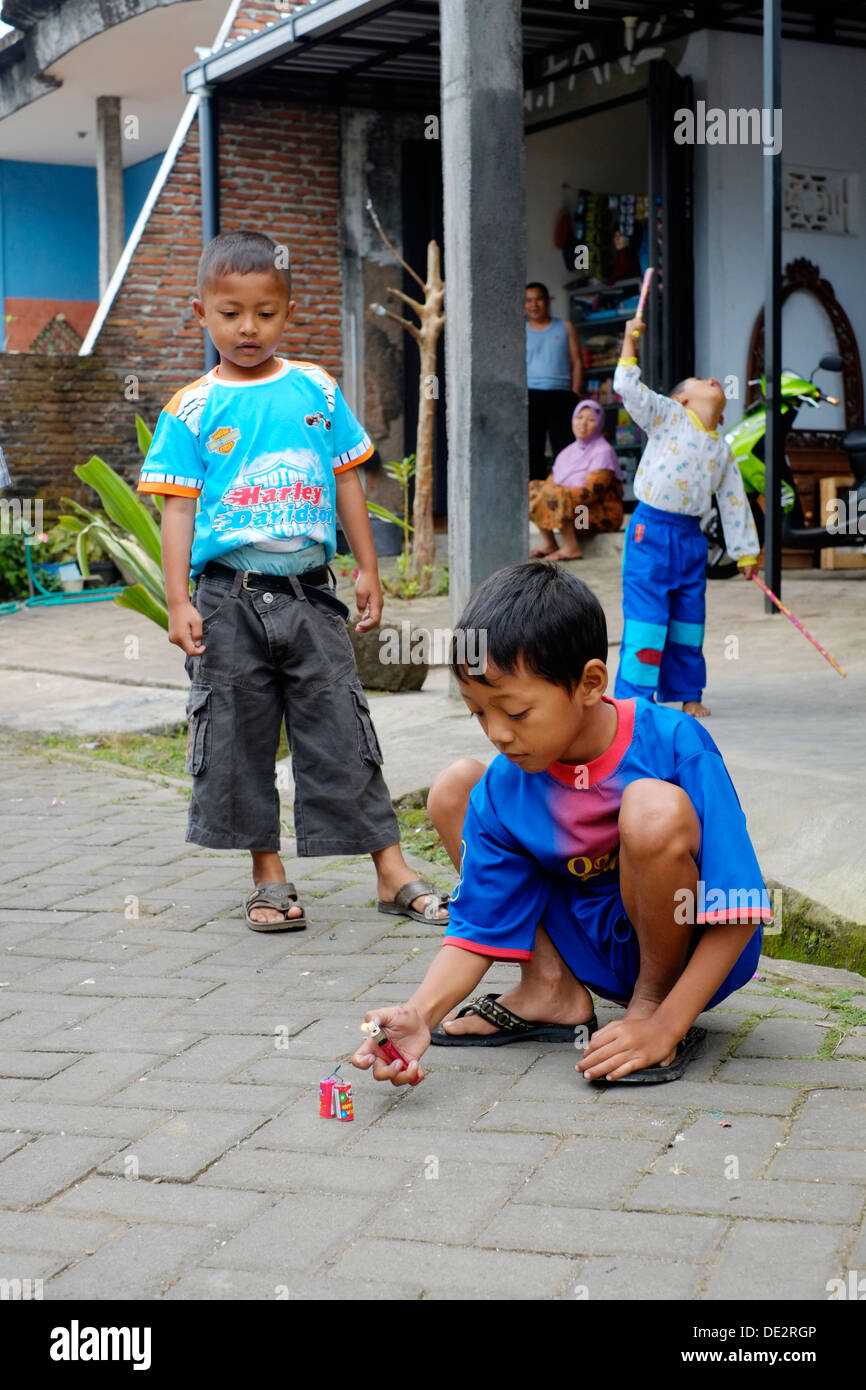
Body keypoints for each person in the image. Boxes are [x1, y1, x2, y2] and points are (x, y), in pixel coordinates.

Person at [352, 562, 770, 1088]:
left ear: (591, 683)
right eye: (479, 713)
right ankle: (551, 989)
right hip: (591, 944)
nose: (498, 734)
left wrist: (664, 1022)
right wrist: (420, 1013)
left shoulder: (673, 742)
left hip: (687, 954)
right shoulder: (510, 785)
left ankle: (650, 1006)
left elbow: (739, 908)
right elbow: (479, 926)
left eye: (516, 712)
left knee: (650, 808)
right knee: (459, 786)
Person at [138, 229, 448, 932]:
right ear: (202, 314)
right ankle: (267, 874)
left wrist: (368, 567)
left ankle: (390, 869)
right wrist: (180, 600)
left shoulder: (314, 387)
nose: (248, 327)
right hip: (227, 599)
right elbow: (178, 507)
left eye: (266, 312)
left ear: (288, 310)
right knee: (238, 736)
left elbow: (346, 481)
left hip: (312, 593)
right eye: (230, 312)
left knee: (342, 726)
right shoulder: (190, 407)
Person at [612, 318, 759, 718]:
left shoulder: (722, 450)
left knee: (688, 621)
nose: (711, 379)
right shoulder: (665, 417)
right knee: (648, 618)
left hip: (691, 540)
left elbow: (733, 503)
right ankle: (634, 699)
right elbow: (627, 388)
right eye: (699, 379)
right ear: (680, 400)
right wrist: (629, 341)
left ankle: (688, 692)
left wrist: (745, 552)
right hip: (650, 532)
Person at [529, 399, 623, 560]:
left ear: (599, 424)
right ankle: (550, 543)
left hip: (595, 517)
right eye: (579, 418)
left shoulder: (603, 451)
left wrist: (557, 496)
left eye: (591, 419)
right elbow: (549, 484)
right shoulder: (567, 452)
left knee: (554, 495)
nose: (583, 423)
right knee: (533, 490)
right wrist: (545, 493)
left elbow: (591, 493)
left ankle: (572, 547)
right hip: (572, 513)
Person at [526, 282, 583, 482]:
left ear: (547, 301)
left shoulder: (565, 326)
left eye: (539, 299)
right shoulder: (520, 330)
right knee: (533, 448)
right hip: (531, 394)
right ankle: (536, 496)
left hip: (561, 395)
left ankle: (565, 490)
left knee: (565, 446)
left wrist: (575, 393)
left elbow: (577, 360)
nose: (534, 305)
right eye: (529, 300)